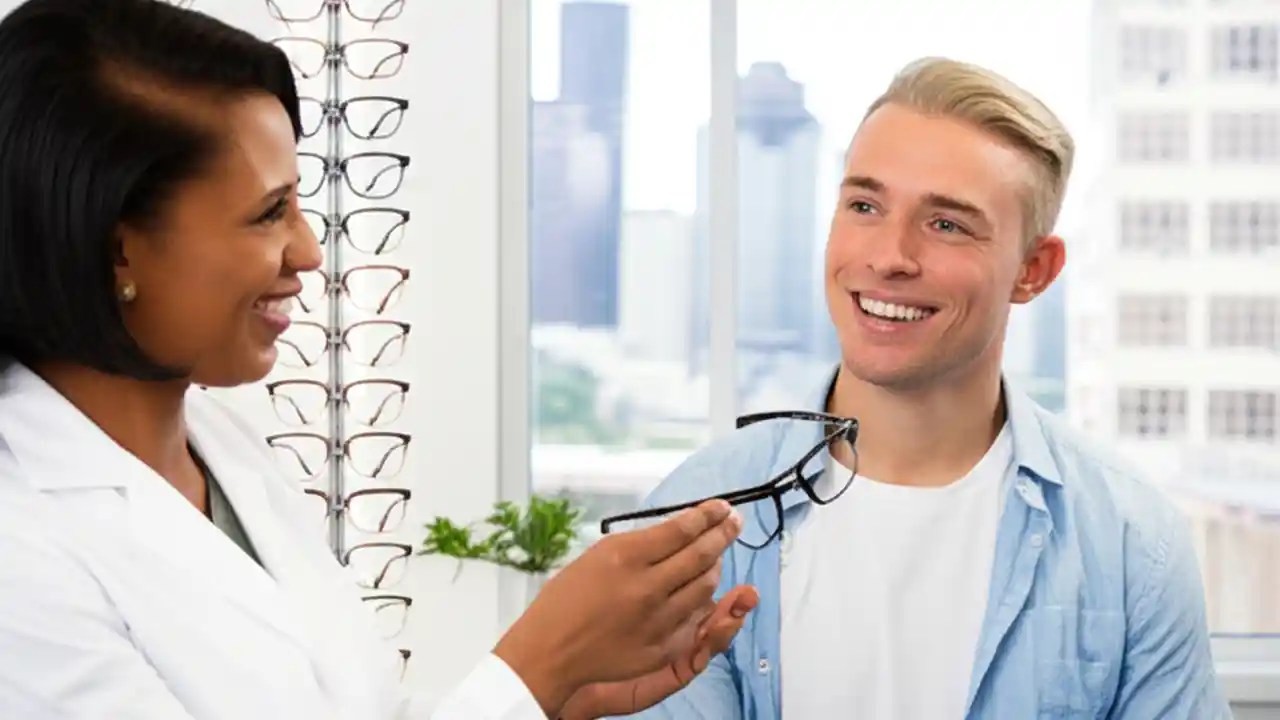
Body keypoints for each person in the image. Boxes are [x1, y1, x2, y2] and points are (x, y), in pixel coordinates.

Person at [0, 1, 758, 719]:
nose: (307, 250)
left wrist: (558, 699)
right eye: (269, 214)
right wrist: (537, 663)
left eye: (299, 205)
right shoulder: (21, 553)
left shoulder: (224, 448)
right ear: (118, 247)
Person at [617, 57, 1231, 718]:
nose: (888, 257)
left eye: (946, 224)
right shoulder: (689, 522)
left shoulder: (1133, 544)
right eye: (865, 206)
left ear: (1033, 270)